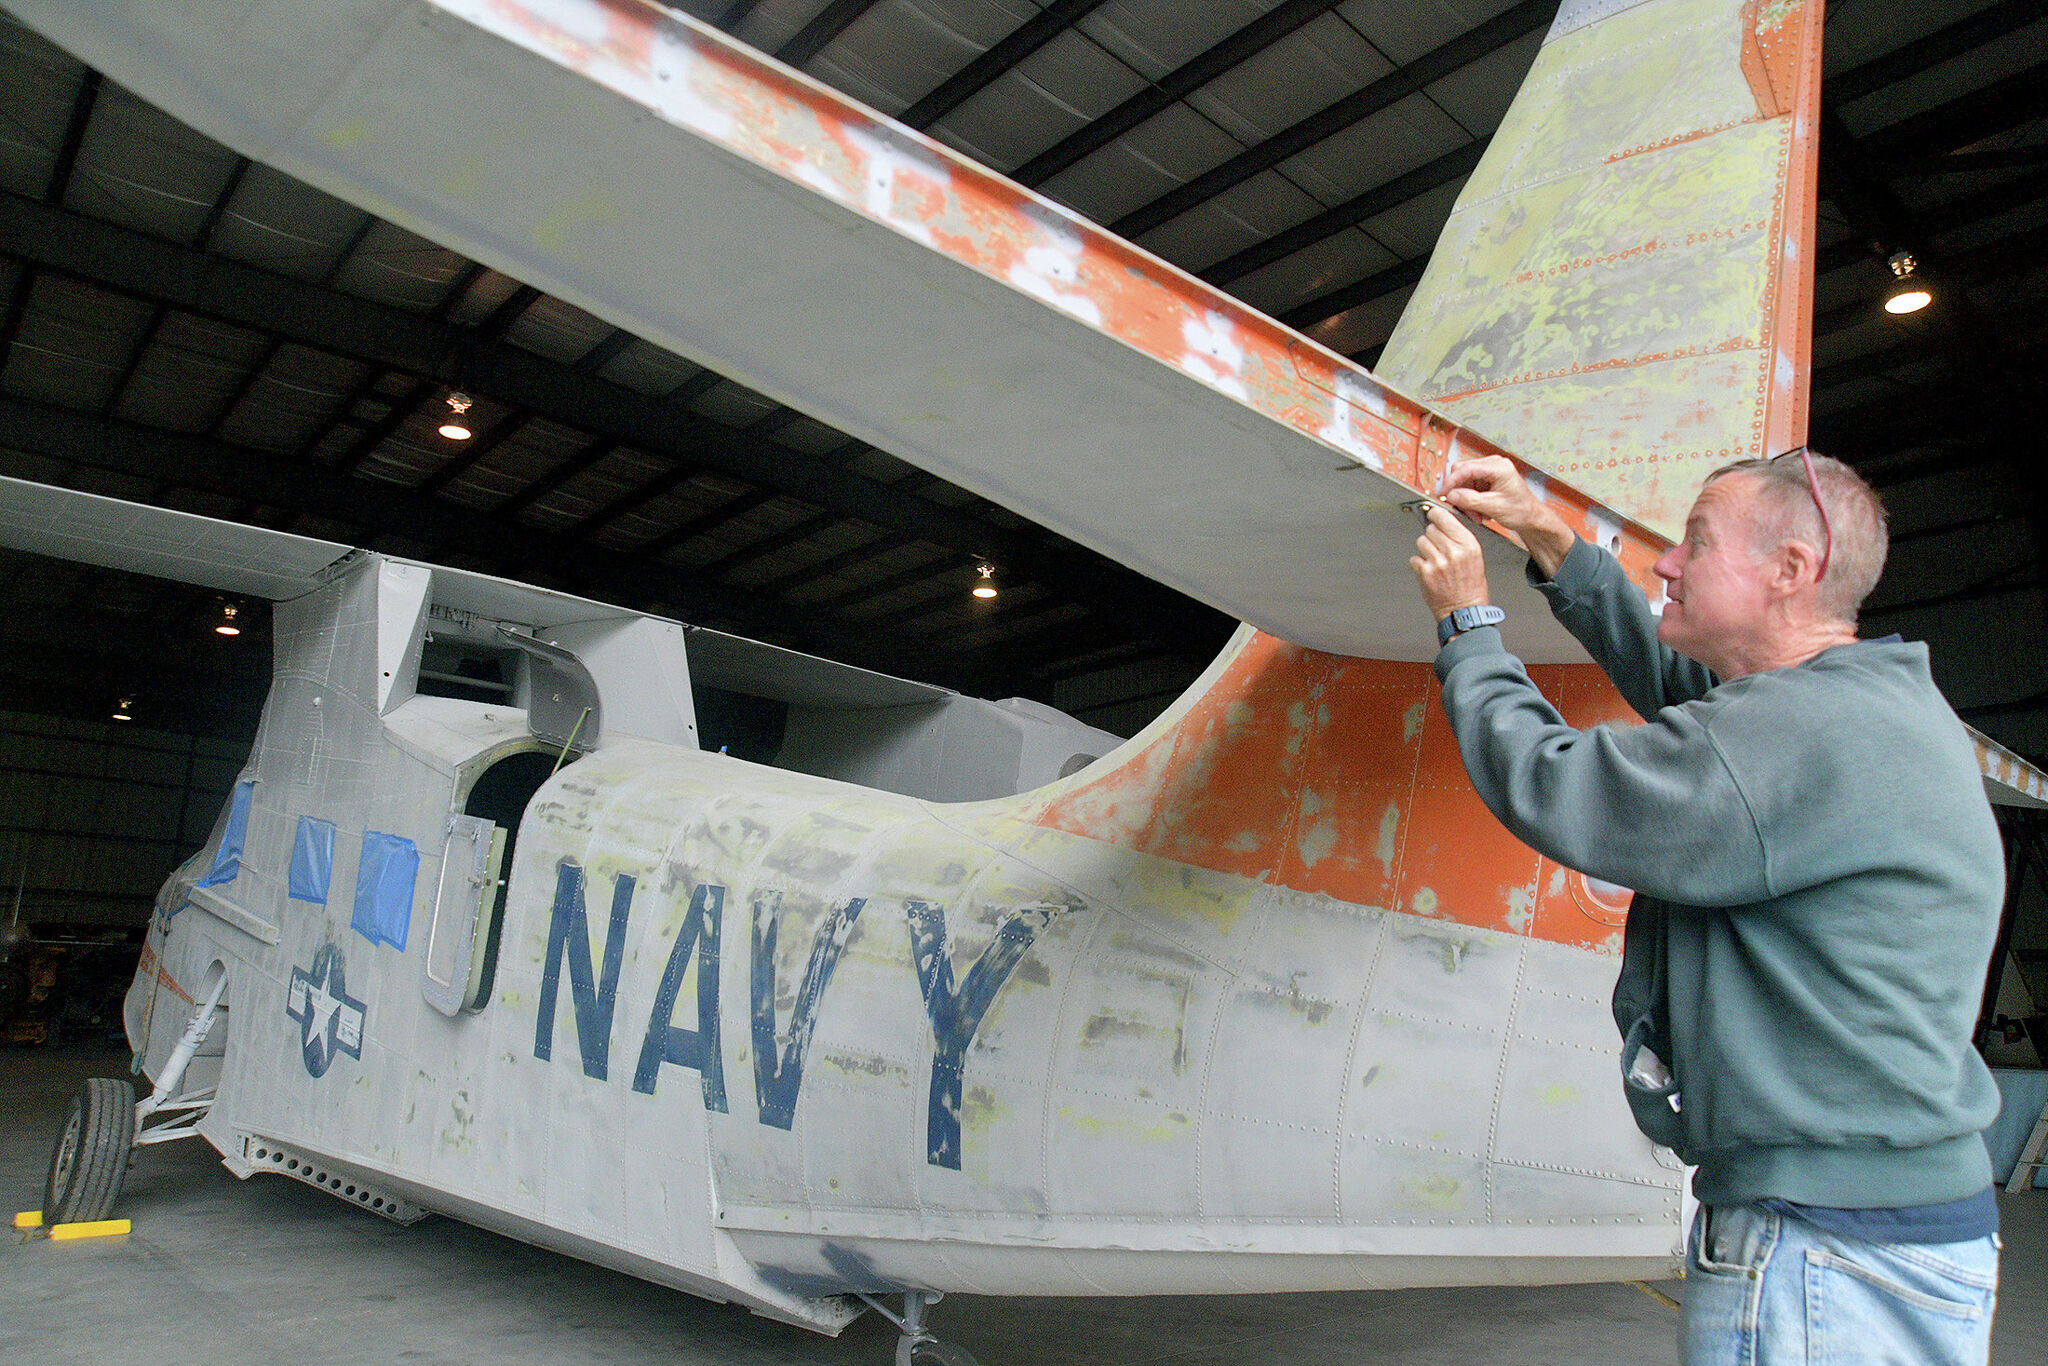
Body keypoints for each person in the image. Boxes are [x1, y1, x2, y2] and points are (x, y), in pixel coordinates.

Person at [1407, 450, 2004, 1365]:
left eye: (1695, 542)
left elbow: (1552, 781)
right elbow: (1695, 698)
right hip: (1883, 1224)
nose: (1665, 563)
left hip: (1825, 1245)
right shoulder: (1862, 705)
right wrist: (1549, 541)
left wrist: (1469, 624)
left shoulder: (1802, 732)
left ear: (1791, 571)